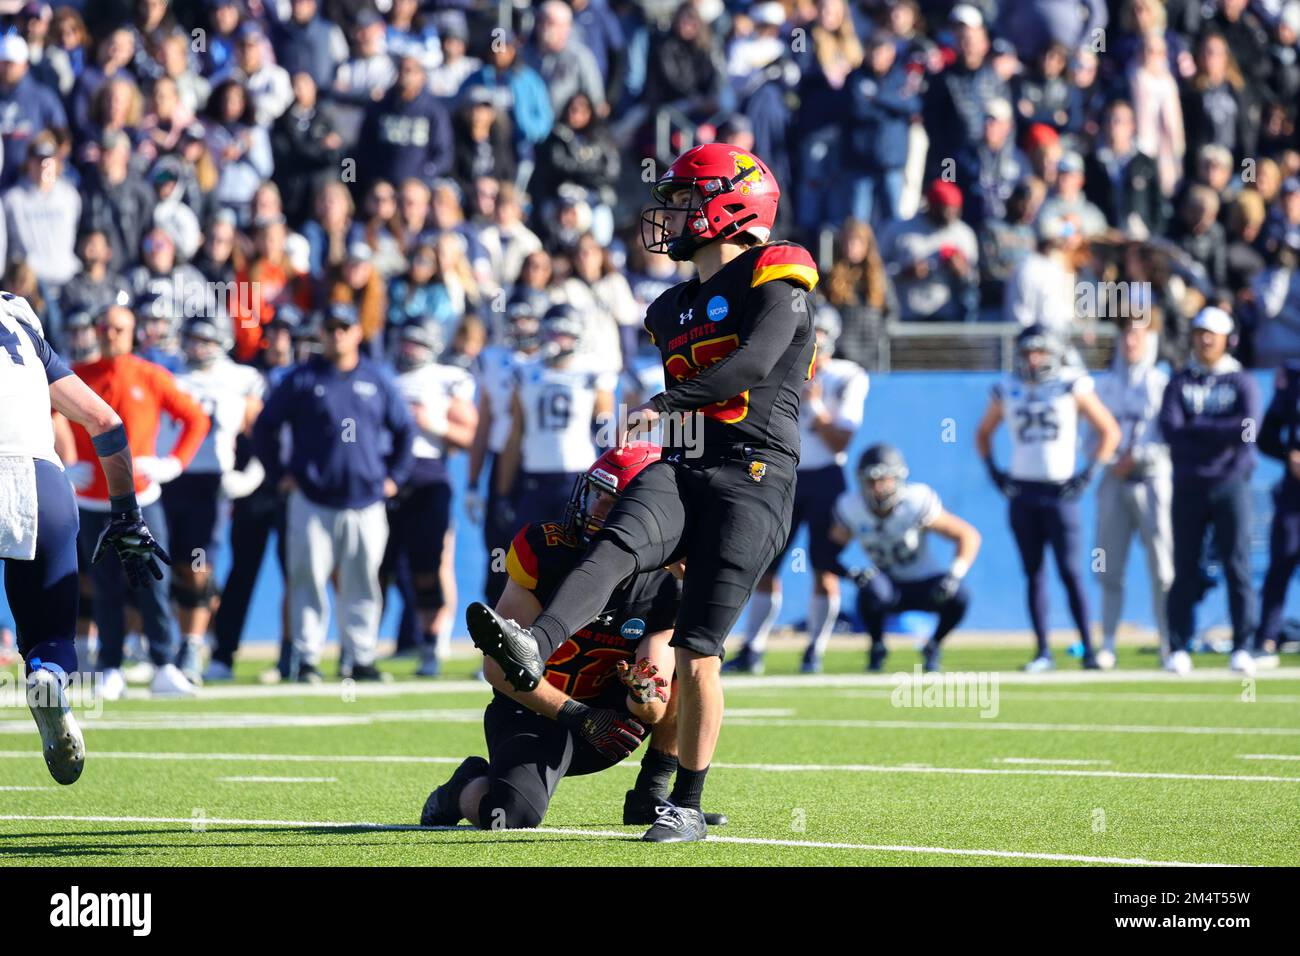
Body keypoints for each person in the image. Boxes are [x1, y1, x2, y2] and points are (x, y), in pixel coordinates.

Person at [467, 144, 816, 842]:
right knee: (621, 542)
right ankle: (534, 644)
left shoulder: (779, 277)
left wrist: (663, 402)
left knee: (696, 648)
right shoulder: (672, 307)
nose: (673, 213)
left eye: (688, 198)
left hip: (754, 475)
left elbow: (750, 365)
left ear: (732, 202)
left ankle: (681, 800)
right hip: (687, 462)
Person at [424, 443, 724, 831]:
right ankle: (459, 789)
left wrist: (644, 694)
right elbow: (498, 669)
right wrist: (578, 716)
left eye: (615, 501)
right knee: (510, 818)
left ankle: (651, 793)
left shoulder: (667, 580)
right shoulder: (546, 550)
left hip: (612, 725)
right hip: (532, 711)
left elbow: (652, 706)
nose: (597, 507)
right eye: (598, 493)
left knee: (695, 660)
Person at [0, 292, 168, 785]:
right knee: (49, 643)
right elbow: (106, 422)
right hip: (42, 480)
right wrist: (126, 512)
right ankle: (48, 678)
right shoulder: (18, 319)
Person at [252, 303, 414, 683]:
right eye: (330, 328)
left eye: (344, 327)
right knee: (307, 580)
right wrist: (280, 474)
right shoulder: (301, 380)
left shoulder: (377, 380)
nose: (337, 334)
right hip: (312, 499)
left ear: (357, 332)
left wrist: (394, 478)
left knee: (363, 583)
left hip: (367, 500)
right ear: (320, 334)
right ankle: (307, 659)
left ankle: (360, 659)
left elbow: (406, 430)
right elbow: (263, 428)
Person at [728, 308, 869, 674]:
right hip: (782, 475)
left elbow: (841, 441)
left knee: (824, 566)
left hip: (825, 478)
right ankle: (754, 647)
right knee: (764, 564)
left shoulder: (848, 376)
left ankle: (814, 650)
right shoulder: (781, 368)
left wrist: (816, 404)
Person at [976, 323, 1121, 671]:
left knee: (1071, 572)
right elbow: (983, 433)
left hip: (1060, 492)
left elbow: (1109, 431)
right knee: (1034, 573)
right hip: (1024, 492)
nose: (1032, 358)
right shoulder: (1007, 387)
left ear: (1054, 352)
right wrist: (994, 471)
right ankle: (1043, 650)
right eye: (1027, 351)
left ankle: (1089, 648)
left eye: (1039, 350)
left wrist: (1089, 472)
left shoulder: (1072, 383)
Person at [160, 317, 264, 684]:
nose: (197, 345)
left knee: (199, 565)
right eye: (192, 337)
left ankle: (191, 643)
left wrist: (252, 471)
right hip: (170, 476)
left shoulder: (242, 378)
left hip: (211, 479)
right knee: (169, 564)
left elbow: (259, 430)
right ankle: (174, 641)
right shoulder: (167, 371)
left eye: (205, 338)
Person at [1159, 307, 1261, 675]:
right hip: (1188, 485)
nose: (1204, 340)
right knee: (1184, 567)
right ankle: (1178, 646)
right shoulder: (1180, 380)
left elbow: (1249, 431)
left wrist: (1198, 428)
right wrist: (1221, 431)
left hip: (1230, 484)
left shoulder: (1241, 381)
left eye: (1212, 334)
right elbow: (1171, 430)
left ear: (1227, 340)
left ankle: (1243, 646)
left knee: (1237, 565)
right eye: (1200, 332)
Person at [832, 444, 981, 672]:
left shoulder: (916, 501)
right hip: (888, 586)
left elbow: (967, 535)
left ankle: (933, 645)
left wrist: (954, 574)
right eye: (871, 481)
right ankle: (877, 646)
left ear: (898, 478)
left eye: (884, 480)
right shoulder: (851, 507)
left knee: (959, 595)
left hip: (925, 584)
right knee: (869, 587)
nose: (878, 488)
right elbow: (824, 553)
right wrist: (850, 573)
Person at [386, 321, 477, 677]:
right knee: (374, 569)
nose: (409, 349)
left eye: (417, 343)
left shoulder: (446, 379)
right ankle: (358, 653)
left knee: (430, 568)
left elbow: (468, 434)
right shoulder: (380, 376)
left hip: (427, 478)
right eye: (405, 341)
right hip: (383, 479)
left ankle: (432, 646)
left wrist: (432, 424)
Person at [1092, 312, 1173, 668]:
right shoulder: (1104, 386)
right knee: (1109, 566)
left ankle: (1170, 642)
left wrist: (1139, 456)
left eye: (1138, 335)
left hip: (1154, 481)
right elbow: (1090, 439)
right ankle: (1108, 642)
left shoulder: (1161, 384)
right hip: (1114, 480)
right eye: (1126, 335)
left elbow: (1173, 437)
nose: (1131, 342)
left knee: (1163, 568)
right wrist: (1111, 460)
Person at [494, 303, 616, 532]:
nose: (555, 339)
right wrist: (503, 492)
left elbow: (605, 433)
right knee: (529, 558)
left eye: (562, 333)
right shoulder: (524, 371)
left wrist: (607, 485)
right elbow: (515, 435)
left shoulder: (592, 372)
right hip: (534, 478)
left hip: (578, 477)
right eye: (551, 332)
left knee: (576, 557)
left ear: (576, 336)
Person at [467, 295, 543, 607]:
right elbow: (483, 424)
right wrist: (472, 482)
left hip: (542, 465)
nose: (520, 326)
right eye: (514, 319)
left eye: (527, 319)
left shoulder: (552, 362)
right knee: (499, 548)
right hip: (503, 463)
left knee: (542, 548)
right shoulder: (493, 360)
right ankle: (493, 636)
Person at [1256, 361, 1300, 659]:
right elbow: (1265, 435)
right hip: (1294, 492)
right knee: (1281, 561)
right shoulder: (1293, 380)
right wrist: (1289, 456)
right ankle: (1267, 638)